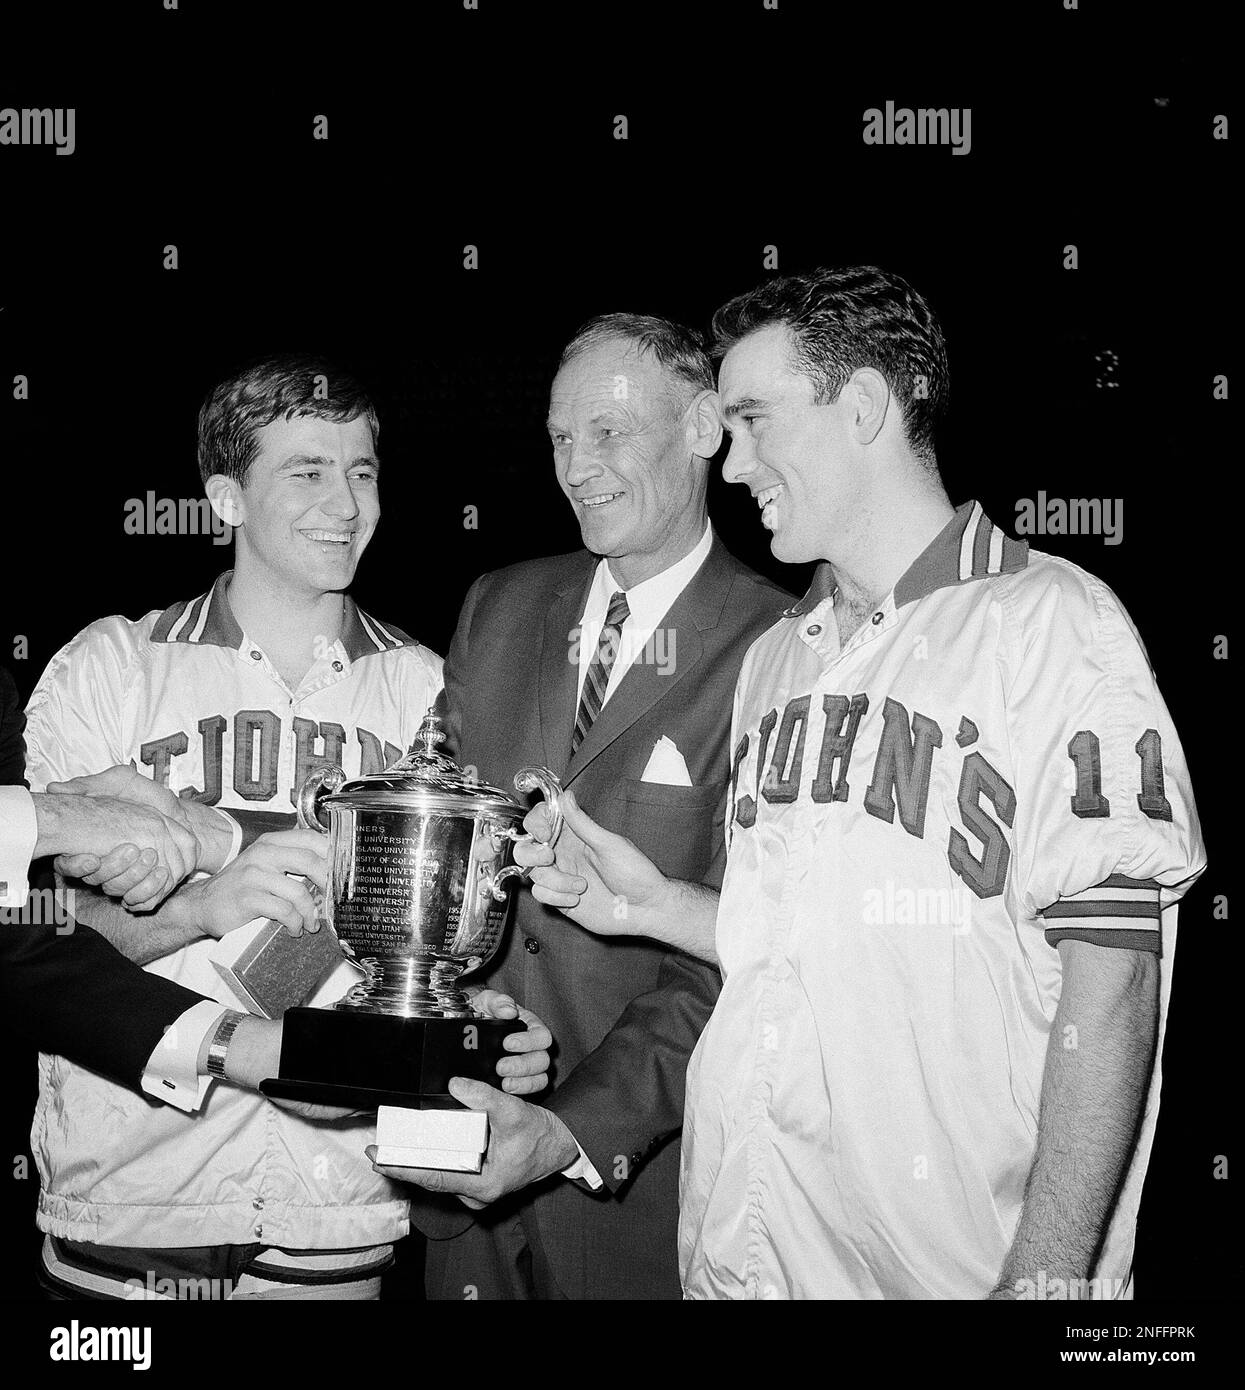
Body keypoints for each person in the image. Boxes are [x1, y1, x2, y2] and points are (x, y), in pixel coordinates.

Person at [513, 267, 1206, 1299]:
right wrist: (653, 906)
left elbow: (1112, 986)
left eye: (752, 418)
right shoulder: (778, 658)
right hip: (745, 1257)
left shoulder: (1054, 625)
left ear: (867, 406)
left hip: (952, 1271)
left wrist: (1046, 1281)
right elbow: (805, 938)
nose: (731, 457)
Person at [22, 356, 550, 1300]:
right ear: (225, 497)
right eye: (305, 472)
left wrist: (484, 1021)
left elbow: (462, 949)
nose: (343, 505)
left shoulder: (432, 691)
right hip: (133, 1198)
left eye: (361, 471)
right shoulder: (112, 667)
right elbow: (33, 941)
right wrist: (202, 909)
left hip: (335, 1207)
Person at [383, 314, 791, 1301]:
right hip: (461, 1184)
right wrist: (450, 1006)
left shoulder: (790, 648)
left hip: (634, 1203)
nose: (578, 466)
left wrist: (569, 1127)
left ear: (704, 426)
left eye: (608, 433)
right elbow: (428, 860)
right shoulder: (499, 602)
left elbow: (755, 954)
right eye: (562, 438)